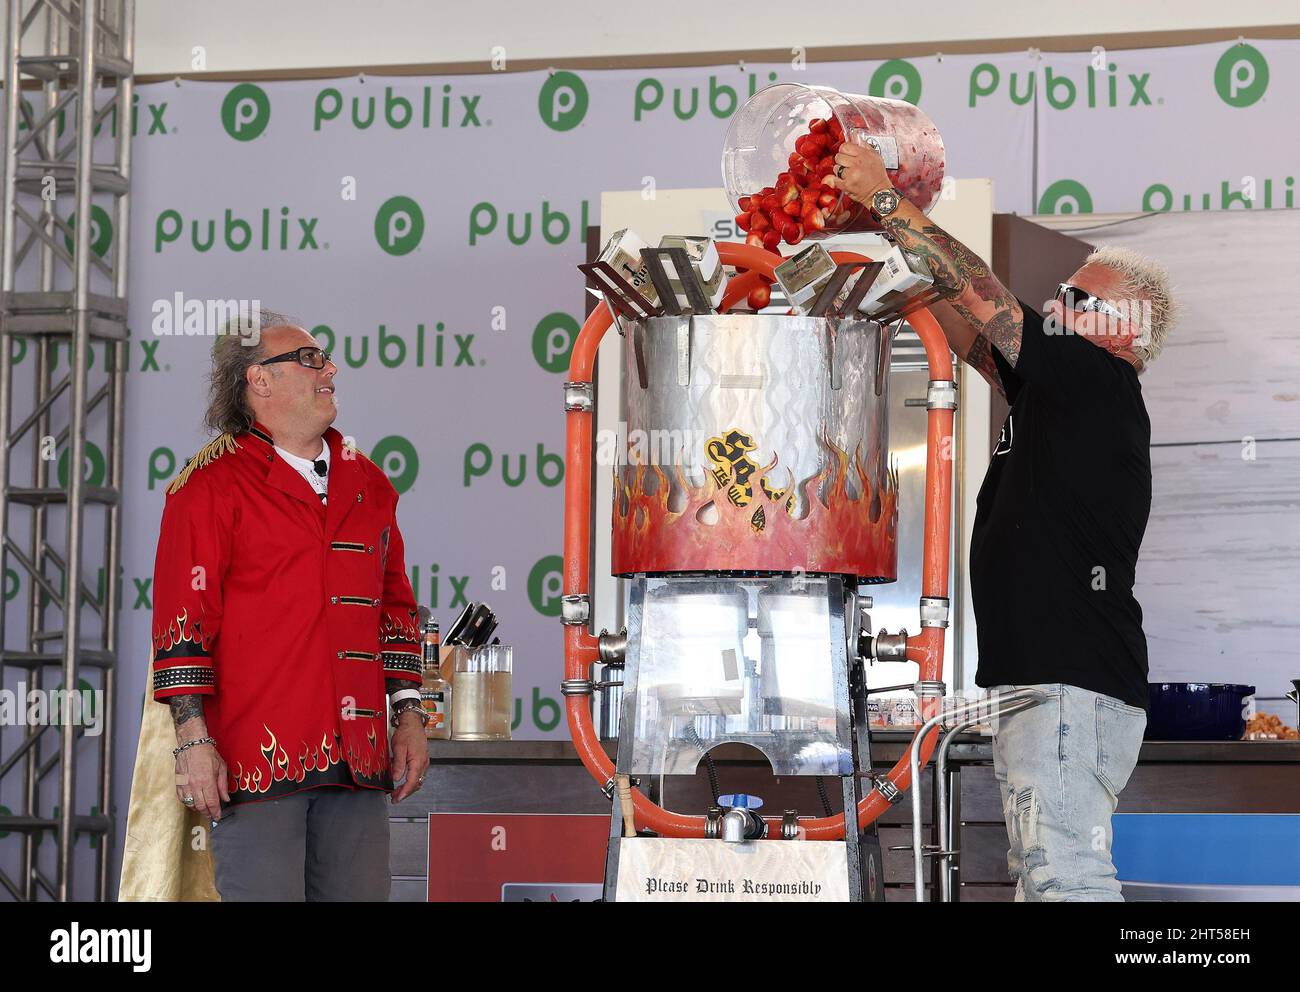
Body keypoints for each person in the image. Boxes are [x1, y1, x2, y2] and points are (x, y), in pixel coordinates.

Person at [828, 144, 1178, 901]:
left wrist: (891, 206)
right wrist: (894, 257)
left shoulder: (1096, 380)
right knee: (1044, 878)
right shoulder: (1063, 397)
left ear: (1126, 330)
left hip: (1067, 684)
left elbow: (985, 298)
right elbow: (971, 331)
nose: (1057, 308)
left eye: (1077, 301)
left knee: (1064, 878)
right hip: (1051, 684)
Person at [149, 310, 430, 901]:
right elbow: (182, 626)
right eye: (308, 359)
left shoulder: (370, 483)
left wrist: (409, 716)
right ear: (259, 381)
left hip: (359, 765)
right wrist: (193, 741)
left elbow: (396, 611)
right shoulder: (209, 486)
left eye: (324, 359)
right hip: (256, 763)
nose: (329, 369)